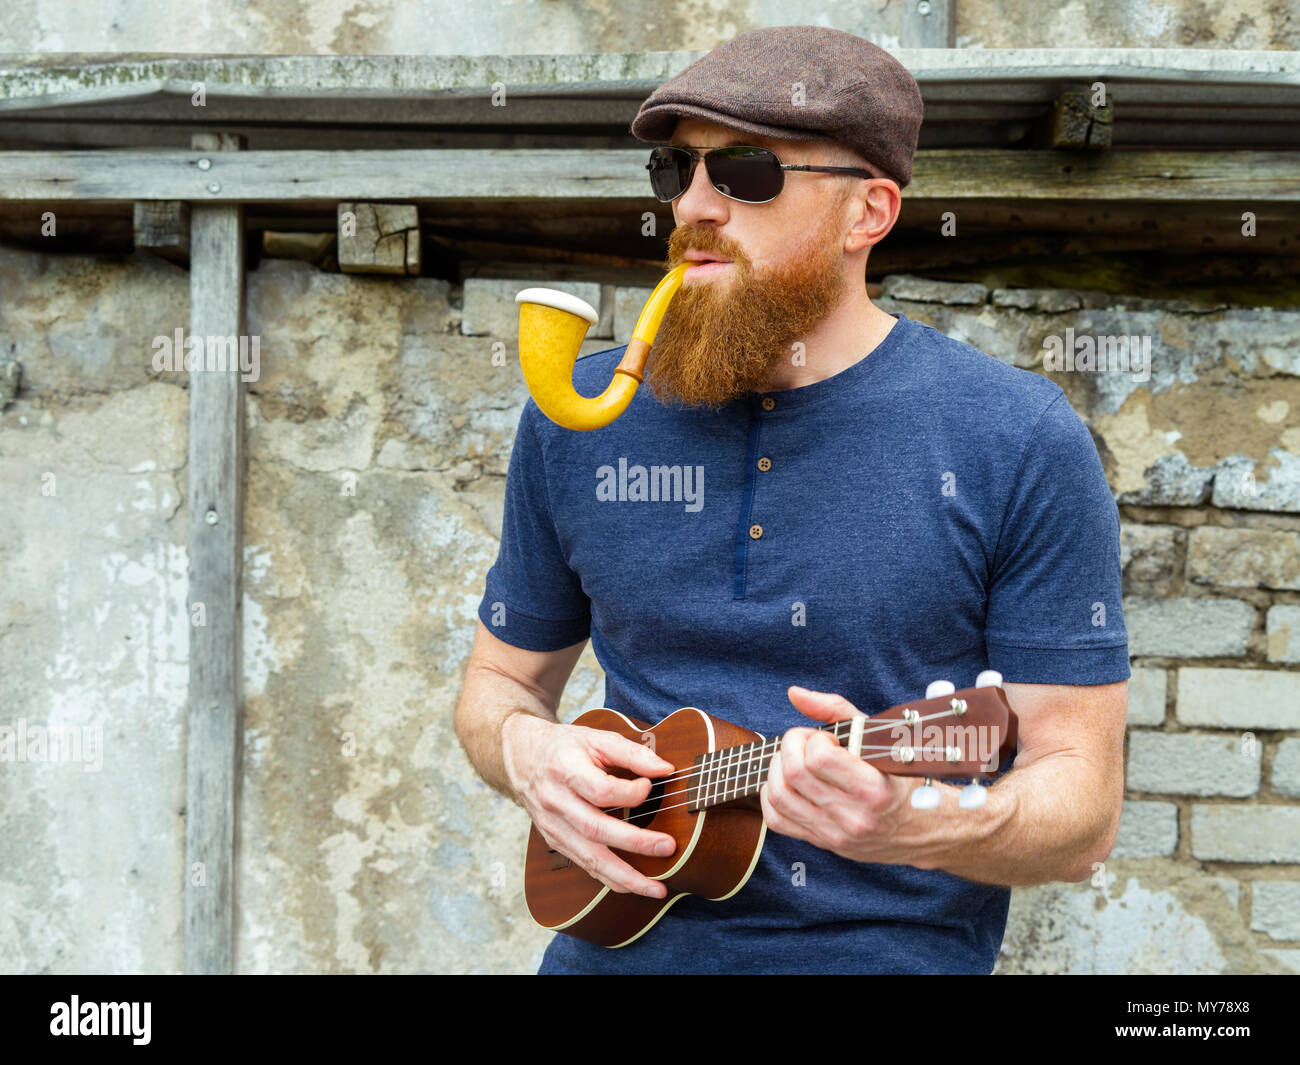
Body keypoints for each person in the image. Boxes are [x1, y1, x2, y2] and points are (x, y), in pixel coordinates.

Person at [454, 25, 1129, 974]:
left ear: (870, 212)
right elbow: (500, 685)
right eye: (675, 170)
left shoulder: (1013, 438)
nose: (694, 205)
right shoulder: (579, 417)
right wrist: (528, 754)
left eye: (746, 171)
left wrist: (911, 824)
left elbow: (1081, 809)